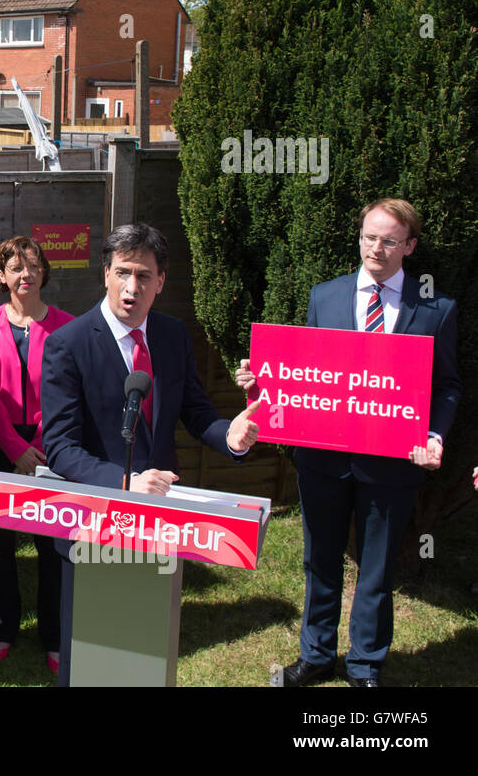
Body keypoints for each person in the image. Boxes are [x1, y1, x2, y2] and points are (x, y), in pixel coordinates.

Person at [239, 198, 460, 688]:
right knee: (319, 560)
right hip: (324, 460)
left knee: (377, 569)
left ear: (409, 247)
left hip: (393, 462)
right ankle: (315, 656)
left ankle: (365, 666)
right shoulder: (326, 296)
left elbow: (446, 385)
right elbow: (306, 375)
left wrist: (434, 435)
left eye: (388, 240)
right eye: (368, 236)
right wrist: (260, 382)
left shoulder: (437, 309)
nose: (375, 248)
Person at [39, 223, 259, 686]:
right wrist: (124, 483)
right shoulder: (68, 344)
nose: (131, 287)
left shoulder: (174, 336)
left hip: (161, 521)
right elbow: (60, 448)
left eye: (143, 276)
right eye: (122, 273)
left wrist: (231, 436)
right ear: (105, 275)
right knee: (92, 657)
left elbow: (197, 413)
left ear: (161, 282)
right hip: (93, 524)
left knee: (143, 651)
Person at [0, 236, 74, 673]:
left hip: (54, 446)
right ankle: (1, 628)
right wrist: (16, 449)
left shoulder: (69, 325)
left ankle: (54, 634)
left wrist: (43, 449)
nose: (25, 274)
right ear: (1, 277)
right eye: (16, 267)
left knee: (55, 545)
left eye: (33, 266)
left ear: (44, 272)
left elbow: (69, 393)